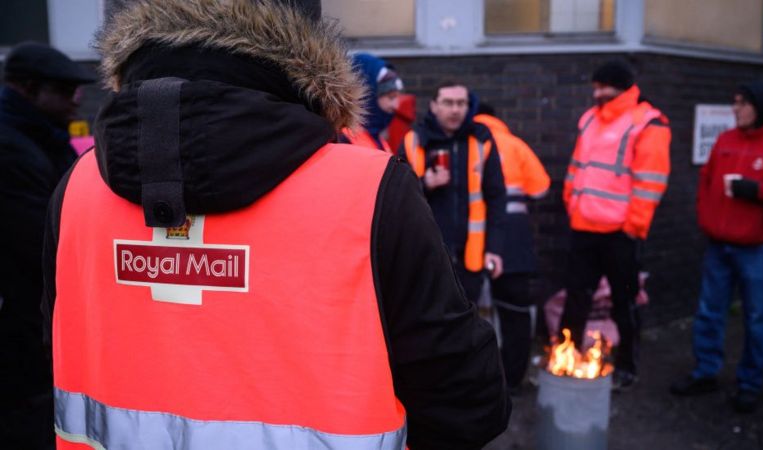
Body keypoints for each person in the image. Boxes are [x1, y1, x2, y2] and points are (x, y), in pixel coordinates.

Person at [41, 1, 510, 449]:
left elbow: (57, 343)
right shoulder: (369, 190)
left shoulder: (76, 189)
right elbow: (466, 403)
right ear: (306, 51)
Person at [670, 80, 763, 413]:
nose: (736, 109)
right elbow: (707, 182)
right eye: (735, 102)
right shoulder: (726, 139)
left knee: (756, 317)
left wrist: (755, 190)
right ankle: (705, 372)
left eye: (743, 103)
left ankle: (749, 384)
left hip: (761, 248)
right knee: (709, 312)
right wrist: (705, 219)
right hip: (719, 244)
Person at [0, 42, 95, 449]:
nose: (77, 100)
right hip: (19, 313)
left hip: (31, 309)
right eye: (64, 90)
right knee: (24, 409)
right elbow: (40, 236)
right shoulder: (11, 146)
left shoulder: (39, 135)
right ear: (26, 88)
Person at [560, 60, 671, 389]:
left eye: (600, 86)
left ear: (618, 87)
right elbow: (577, 167)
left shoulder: (648, 123)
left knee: (624, 302)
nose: (595, 93)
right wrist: (572, 203)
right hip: (584, 226)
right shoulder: (590, 119)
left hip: (620, 233)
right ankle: (566, 356)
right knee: (576, 298)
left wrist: (634, 227)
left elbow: (650, 181)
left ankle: (627, 367)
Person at [398, 82, 506, 304]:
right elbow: (398, 195)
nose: (455, 109)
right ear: (434, 106)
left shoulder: (481, 139)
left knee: (468, 321)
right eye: (448, 103)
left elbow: (496, 197)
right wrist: (425, 183)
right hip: (426, 254)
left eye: (461, 103)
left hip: (471, 255)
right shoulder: (414, 140)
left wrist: (494, 248)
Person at [474, 103, 550, 392]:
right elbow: (540, 188)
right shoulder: (515, 145)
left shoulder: (467, 144)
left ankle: (475, 377)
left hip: (472, 235)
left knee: (467, 308)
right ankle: (513, 378)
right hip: (513, 238)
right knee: (515, 311)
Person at [339, 53, 403, 151]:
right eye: (391, 97)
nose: (396, 105)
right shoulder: (343, 140)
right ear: (368, 96)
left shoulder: (379, 139)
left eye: (398, 97)